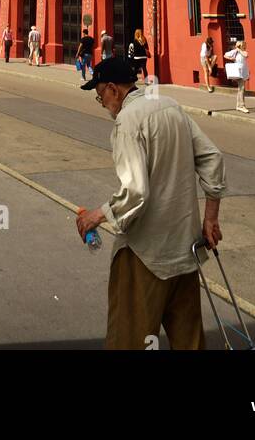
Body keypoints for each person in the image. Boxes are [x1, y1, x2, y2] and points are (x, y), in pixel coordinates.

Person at [76, 56, 226, 350]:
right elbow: (212, 158)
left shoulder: (128, 122)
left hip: (145, 254)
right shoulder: (170, 105)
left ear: (113, 90)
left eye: (100, 96)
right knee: (189, 342)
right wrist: (210, 218)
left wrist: (97, 216)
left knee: (130, 340)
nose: (102, 102)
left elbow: (135, 191)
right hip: (185, 250)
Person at [224, 39, 250, 112]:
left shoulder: (243, 52)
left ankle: (238, 105)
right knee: (242, 89)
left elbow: (246, 55)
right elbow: (225, 55)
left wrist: (239, 50)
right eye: (243, 45)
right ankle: (242, 106)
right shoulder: (235, 52)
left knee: (240, 89)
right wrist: (232, 58)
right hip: (238, 73)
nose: (244, 46)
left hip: (243, 72)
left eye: (244, 45)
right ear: (239, 46)